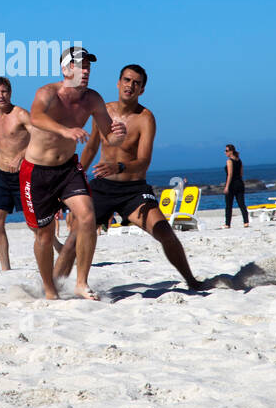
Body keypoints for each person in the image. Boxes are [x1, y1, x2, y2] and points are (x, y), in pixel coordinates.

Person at [54, 64, 202, 290]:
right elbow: (91, 149)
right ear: (118, 83)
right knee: (74, 238)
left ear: (141, 89)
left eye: (136, 83)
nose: (130, 85)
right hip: (102, 188)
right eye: (126, 80)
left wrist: (120, 166)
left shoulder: (146, 118)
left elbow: (144, 160)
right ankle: (52, 288)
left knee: (164, 232)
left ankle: (192, 281)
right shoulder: (103, 111)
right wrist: (73, 179)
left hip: (133, 190)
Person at [20, 46, 127, 301]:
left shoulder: (93, 99)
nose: (86, 70)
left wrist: (118, 137)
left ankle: (81, 282)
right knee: (45, 236)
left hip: (68, 168)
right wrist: (65, 131)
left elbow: (108, 137)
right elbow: (35, 117)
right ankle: (49, 289)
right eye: (79, 65)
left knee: (88, 217)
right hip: (36, 172)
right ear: (66, 69)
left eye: (88, 65)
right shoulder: (47, 93)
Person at [0, 76, 32, 271]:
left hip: (23, 174)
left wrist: (21, 155)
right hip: (2, 177)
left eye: (4, 91)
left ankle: (55, 246)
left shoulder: (21, 114)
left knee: (33, 223)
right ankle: (5, 267)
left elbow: (39, 137)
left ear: (10, 93)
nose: (1, 95)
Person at [223, 144, 248, 228]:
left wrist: (226, 186)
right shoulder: (239, 160)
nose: (225, 152)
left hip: (232, 184)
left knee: (229, 205)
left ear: (231, 151)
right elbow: (241, 173)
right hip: (240, 183)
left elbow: (230, 175)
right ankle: (246, 222)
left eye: (226, 151)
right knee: (241, 204)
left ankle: (227, 224)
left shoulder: (229, 161)